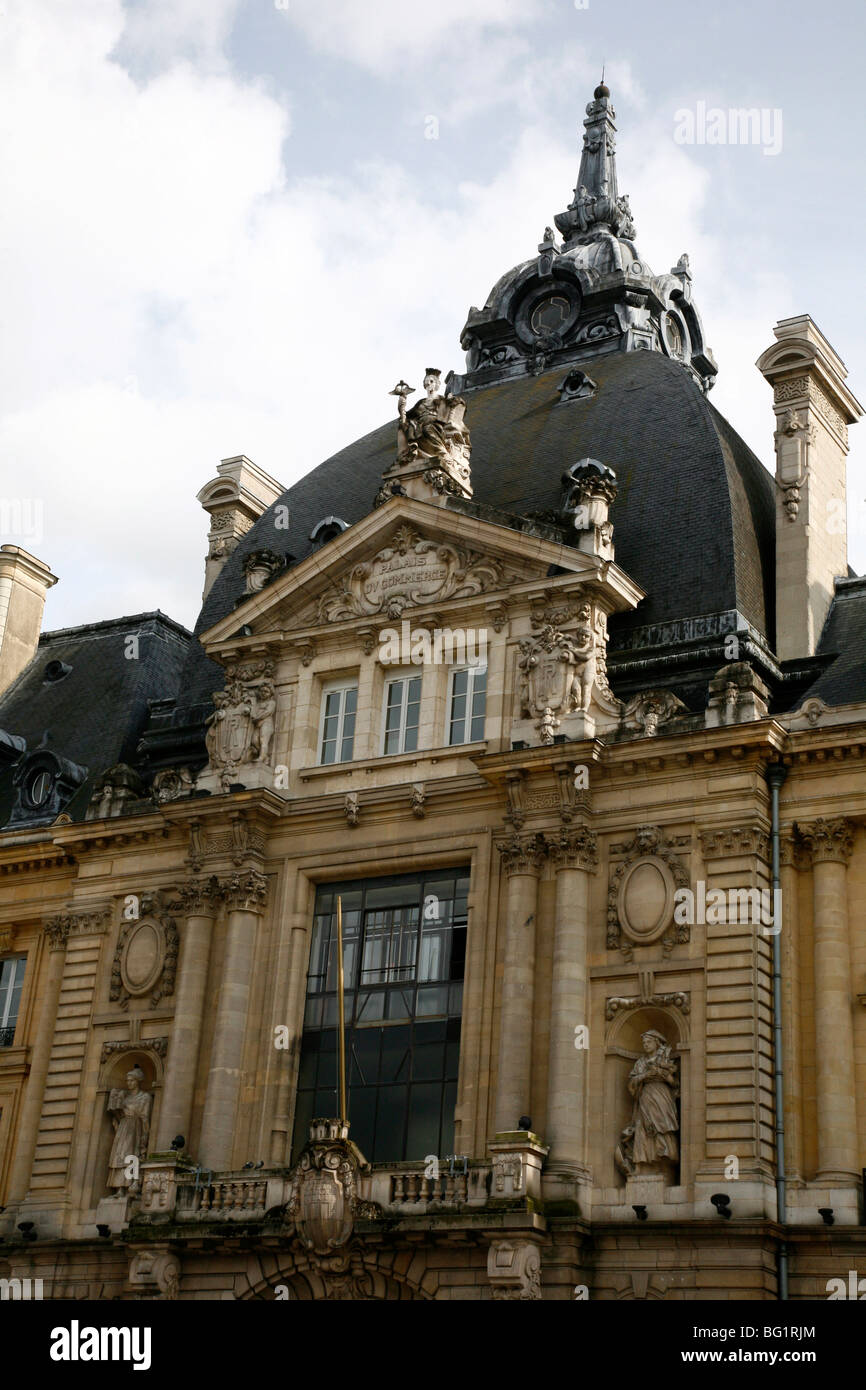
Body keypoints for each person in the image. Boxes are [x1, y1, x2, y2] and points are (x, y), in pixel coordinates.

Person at [627, 1029, 679, 1170]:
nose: (646, 1045)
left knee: (663, 1124)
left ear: (656, 1043)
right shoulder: (640, 1062)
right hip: (646, 1095)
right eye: (644, 1042)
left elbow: (674, 1084)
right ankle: (644, 1161)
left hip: (662, 1095)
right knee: (644, 1127)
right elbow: (632, 1082)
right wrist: (645, 1076)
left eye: (648, 1042)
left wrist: (663, 1075)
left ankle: (663, 1157)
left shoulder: (665, 1059)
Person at [107, 1066, 152, 1193]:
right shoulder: (125, 1098)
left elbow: (145, 1117)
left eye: (131, 1080)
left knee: (130, 1156)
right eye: (127, 1081)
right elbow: (118, 1116)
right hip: (123, 1128)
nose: (129, 1083)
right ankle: (119, 1188)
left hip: (135, 1129)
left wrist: (144, 1136)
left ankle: (128, 1186)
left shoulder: (145, 1097)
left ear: (138, 1081)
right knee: (119, 1156)